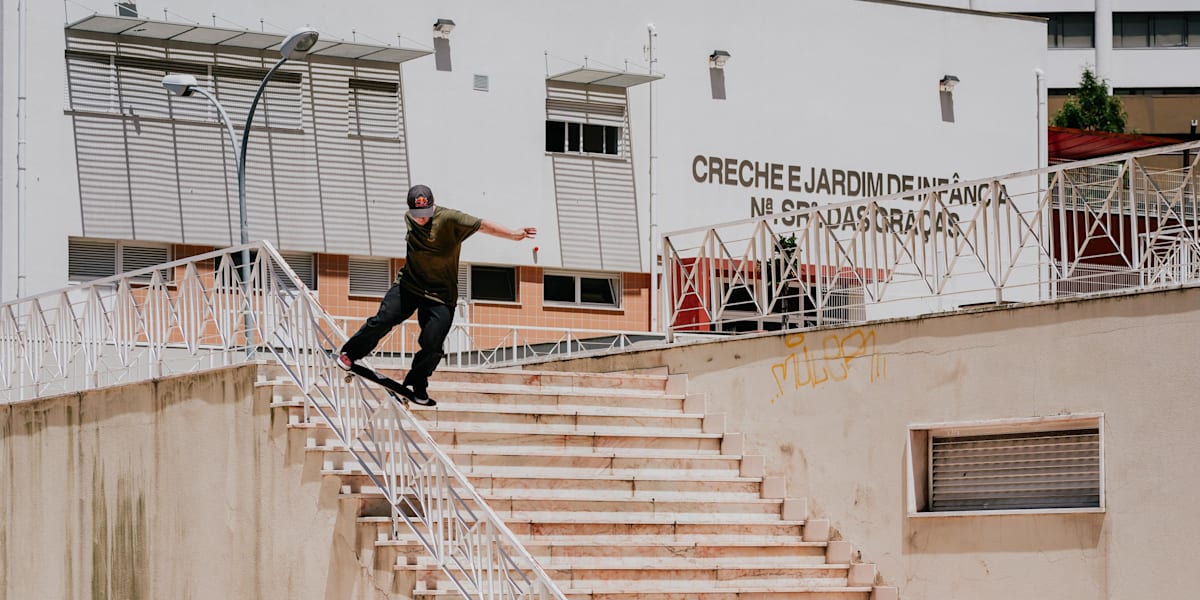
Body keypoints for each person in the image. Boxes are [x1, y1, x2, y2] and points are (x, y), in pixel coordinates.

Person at [337, 184, 536, 404]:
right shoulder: (408, 217)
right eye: (417, 215)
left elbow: (482, 225)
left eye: (425, 215)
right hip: (409, 285)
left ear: (433, 206)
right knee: (383, 320)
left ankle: (416, 383)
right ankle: (350, 353)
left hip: (440, 295)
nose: (421, 219)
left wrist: (513, 234)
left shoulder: (450, 219)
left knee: (433, 343)